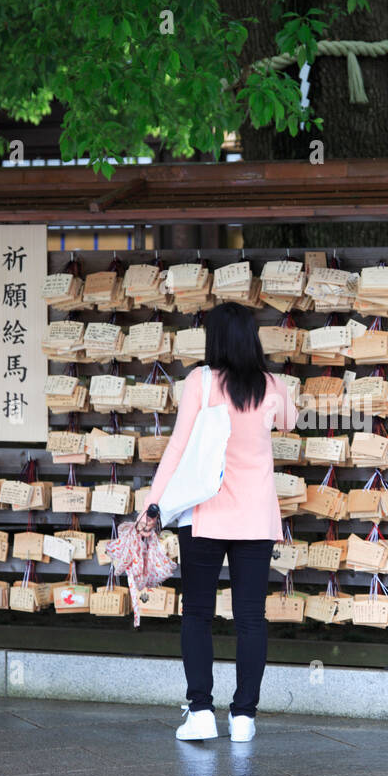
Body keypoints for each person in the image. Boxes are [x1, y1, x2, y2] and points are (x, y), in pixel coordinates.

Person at [135, 301, 298, 743]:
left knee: (198, 615)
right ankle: (244, 717)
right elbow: (290, 421)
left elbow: (177, 449)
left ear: (215, 339)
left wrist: (153, 508)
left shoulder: (201, 382)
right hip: (256, 518)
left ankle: (201, 710)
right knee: (251, 618)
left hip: (205, 517)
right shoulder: (271, 386)